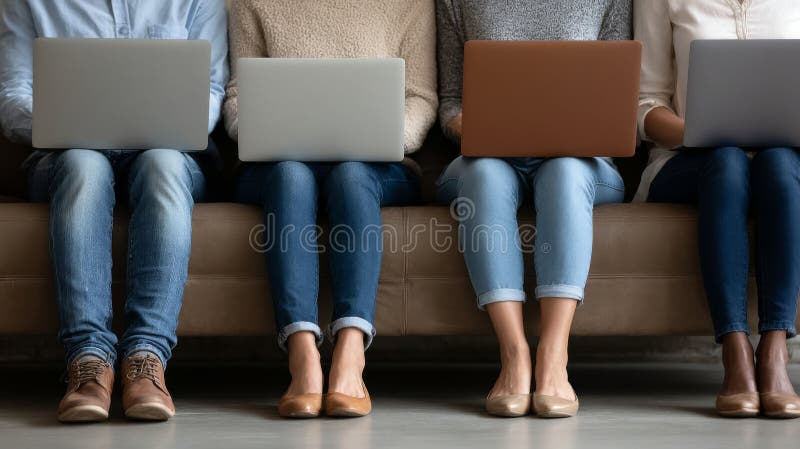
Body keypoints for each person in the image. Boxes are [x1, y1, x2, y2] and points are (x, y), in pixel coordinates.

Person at [0, 0, 229, 422]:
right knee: (83, 164)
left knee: (162, 164)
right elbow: (13, 95)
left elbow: (212, 91)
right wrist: (69, 125)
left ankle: (147, 357)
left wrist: (166, 125)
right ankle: (88, 360)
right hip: (66, 155)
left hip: (168, 152)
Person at [224, 0, 437, 418]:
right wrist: (259, 131)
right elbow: (237, 97)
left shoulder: (410, 4)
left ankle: (351, 353)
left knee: (350, 174)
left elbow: (421, 97)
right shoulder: (252, 2)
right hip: (278, 163)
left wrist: (382, 138)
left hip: (374, 166)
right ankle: (302, 355)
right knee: (291, 175)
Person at [435, 0, 631, 418]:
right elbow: (450, 101)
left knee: (564, 172)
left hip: (579, 161)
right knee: (484, 176)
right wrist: (477, 128)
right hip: (489, 157)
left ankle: (554, 357)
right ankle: (514, 355)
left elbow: (619, 97)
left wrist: (584, 132)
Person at [636, 0, 800, 418]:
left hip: (782, 158)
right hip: (687, 160)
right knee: (727, 160)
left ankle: (775, 349)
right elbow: (644, 104)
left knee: (778, 164)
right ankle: (735, 349)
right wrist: (700, 132)